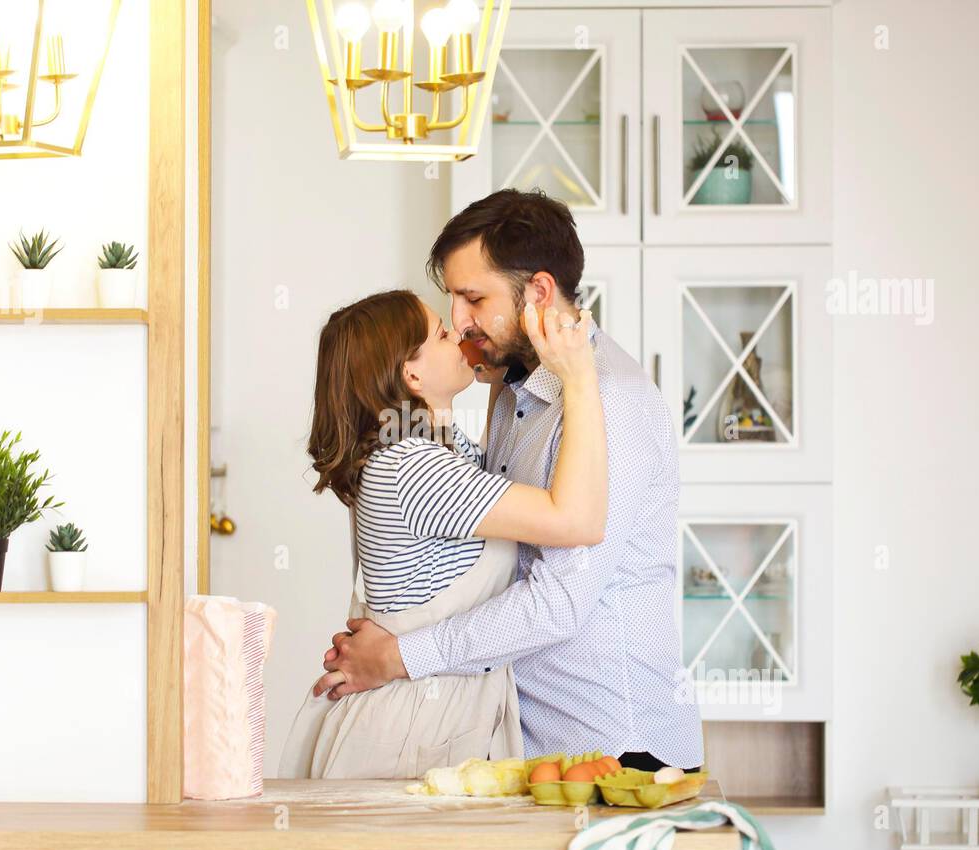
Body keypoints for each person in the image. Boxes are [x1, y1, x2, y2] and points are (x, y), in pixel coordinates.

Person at [314, 189, 705, 775]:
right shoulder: (509, 387)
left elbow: (557, 604)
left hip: (611, 746)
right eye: (451, 303)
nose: (459, 322)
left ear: (539, 293)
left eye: (473, 298)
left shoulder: (609, 404)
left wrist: (399, 654)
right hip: (516, 738)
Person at [278, 287, 606, 778]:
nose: (459, 332)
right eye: (440, 333)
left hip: (426, 716)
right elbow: (576, 520)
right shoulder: (413, 466)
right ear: (411, 374)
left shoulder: (437, 453)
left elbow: (498, 470)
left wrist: (501, 364)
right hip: (412, 731)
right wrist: (579, 379)